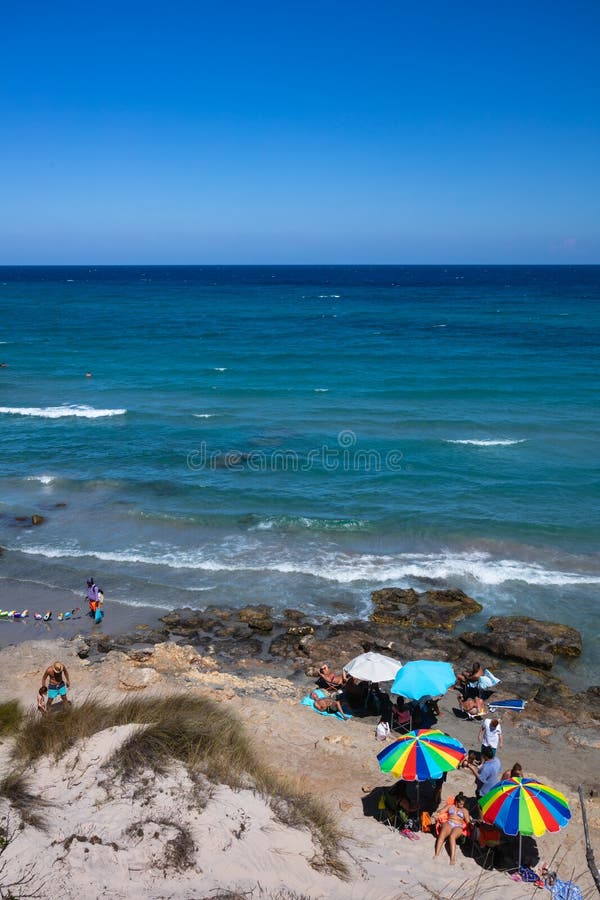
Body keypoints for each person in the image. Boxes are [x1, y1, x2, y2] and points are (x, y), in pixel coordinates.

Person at [433, 792, 471, 865]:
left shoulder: (464, 810)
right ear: (456, 802)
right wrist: (438, 814)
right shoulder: (450, 806)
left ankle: (452, 858)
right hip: (450, 822)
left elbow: (468, 821)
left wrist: (471, 824)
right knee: (442, 834)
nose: (462, 805)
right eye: (460, 804)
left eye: (463, 804)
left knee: (452, 837)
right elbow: (440, 811)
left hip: (458, 825)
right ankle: (437, 854)